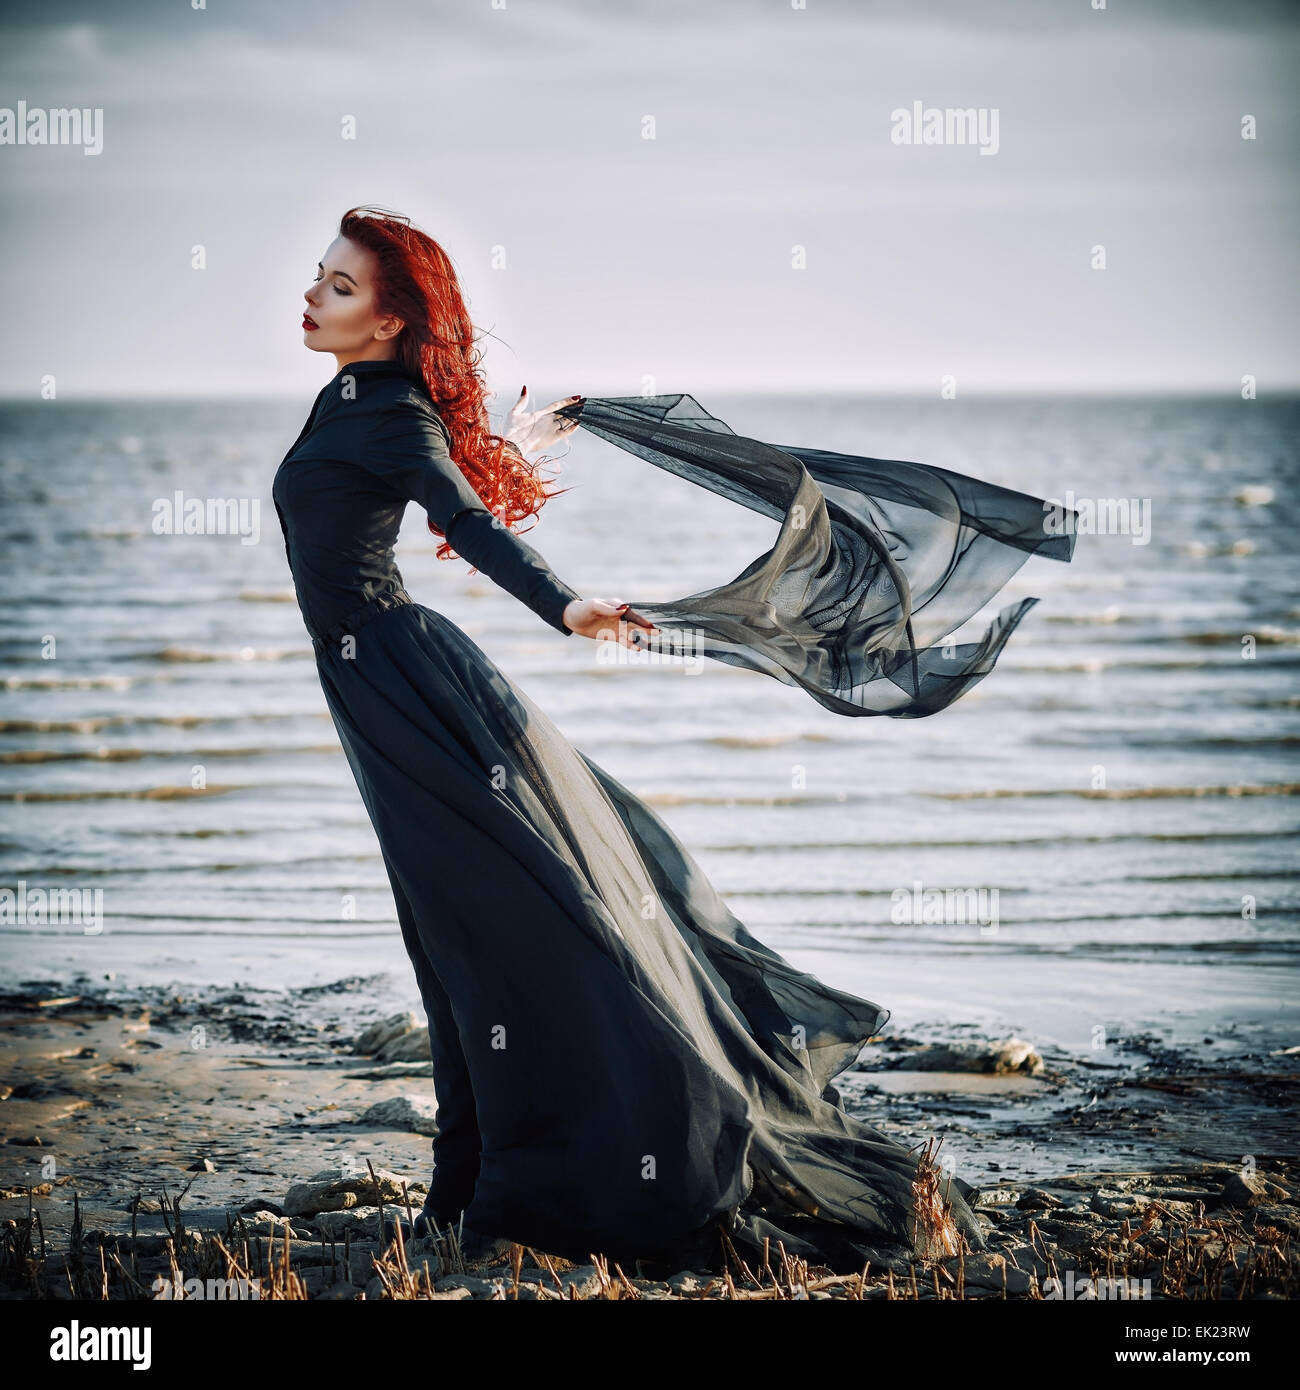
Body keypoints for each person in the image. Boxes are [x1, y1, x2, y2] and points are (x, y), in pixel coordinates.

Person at [275, 205, 1071, 1277]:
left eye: (337, 285)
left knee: (488, 929)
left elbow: (462, 523)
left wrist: (563, 607)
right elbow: (434, 484)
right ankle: (462, 1184)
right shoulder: (359, 396)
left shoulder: (390, 413)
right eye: (320, 275)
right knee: (442, 935)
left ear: (386, 322)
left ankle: (572, 1162)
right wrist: (506, 448)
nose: (312, 293)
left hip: (408, 684)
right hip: (378, 685)